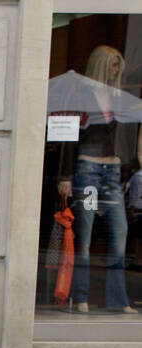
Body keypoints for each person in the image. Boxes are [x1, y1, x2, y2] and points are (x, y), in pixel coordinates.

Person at [56, 45, 141, 315]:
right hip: (89, 173)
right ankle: (80, 296)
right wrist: (66, 175)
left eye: (118, 66)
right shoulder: (82, 93)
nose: (116, 71)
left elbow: (125, 136)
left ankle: (118, 299)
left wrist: (128, 168)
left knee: (119, 233)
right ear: (101, 65)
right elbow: (70, 133)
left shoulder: (117, 97)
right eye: (112, 65)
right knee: (86, 234)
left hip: (113, 174)